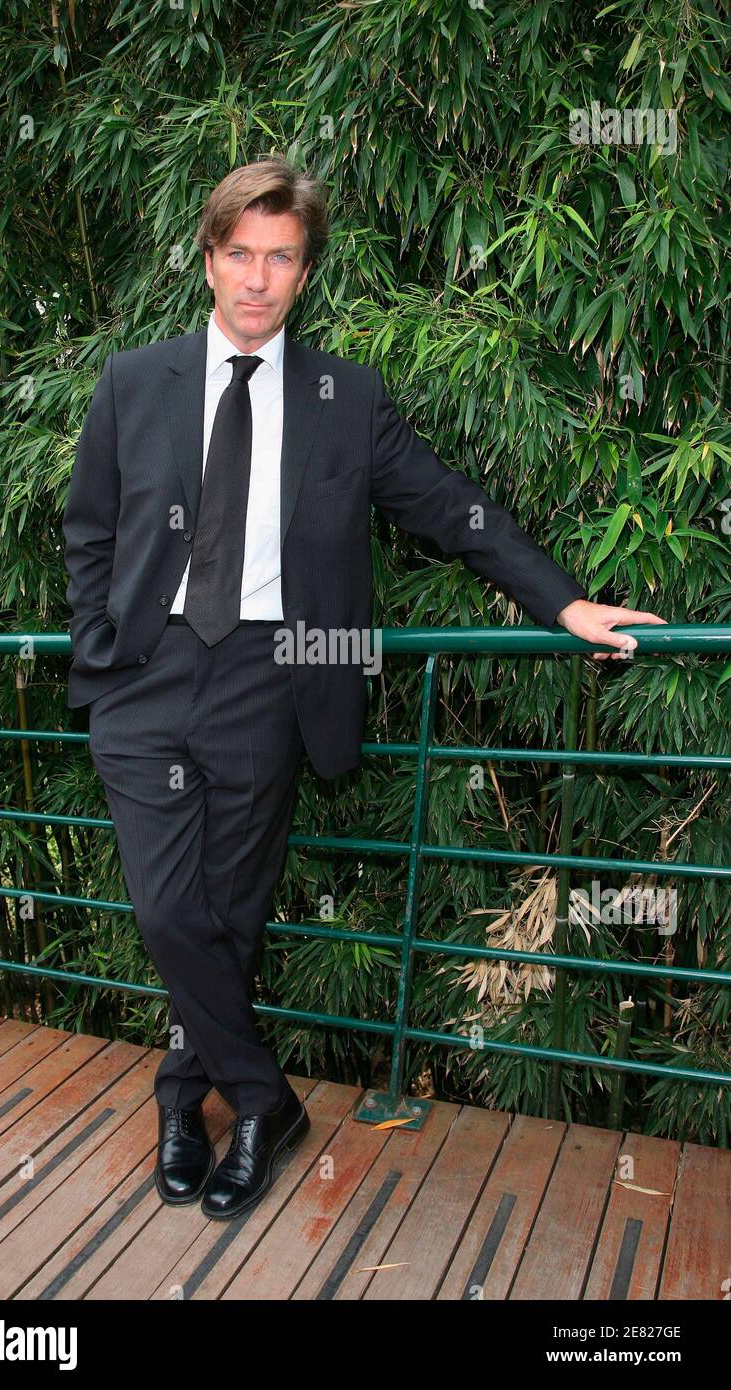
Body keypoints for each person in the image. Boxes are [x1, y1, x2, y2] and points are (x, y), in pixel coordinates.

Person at [62, 156, 666, 1222]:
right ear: (208, 260)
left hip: (273, 677)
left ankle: (186, 1102)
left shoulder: (344, 398)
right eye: (239, 254)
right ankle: (263, 1099)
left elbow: (448, 507)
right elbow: (91, 530)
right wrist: (100, 647)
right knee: (167, 908)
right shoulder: (132, 381)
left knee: (229, 913)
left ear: (305, 272)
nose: (257, 278)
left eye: (280, 257)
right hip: (145, 676)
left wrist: (564, 603)